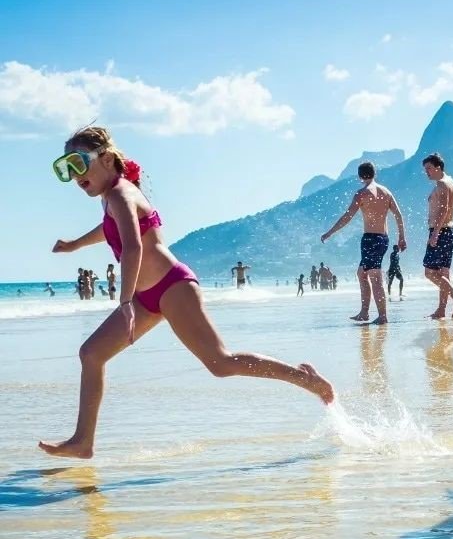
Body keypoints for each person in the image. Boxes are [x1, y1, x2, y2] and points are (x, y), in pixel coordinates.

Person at [40, 125, 334, 459]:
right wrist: (76, 244)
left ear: (106, 159)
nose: (74, 175)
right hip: (147, 297)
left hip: (172, 287)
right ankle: (83, 441)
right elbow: (111, 229)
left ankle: (306, 380)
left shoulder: (121, 193)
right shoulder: (112, 198)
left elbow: (133, 247)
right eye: (66, 168)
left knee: (221, 363)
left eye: (78, 163)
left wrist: (125, 301)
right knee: (91, 354)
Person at [321, 161, 406, 325]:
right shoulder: (386, 192)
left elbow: (347, 216)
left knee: (375, 277)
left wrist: (330, 232)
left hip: (370, 239)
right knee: (362, 273)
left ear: (360, 176)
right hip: (383, 239)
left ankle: (382, 316)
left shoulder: (362, 193)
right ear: (374, 173)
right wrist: (402, 237)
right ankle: (364, 312)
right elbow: (398, 215)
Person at [421, 153, 453, 319]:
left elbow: (443, 210)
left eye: (429, 168)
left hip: (441, 231)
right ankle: (441, 310)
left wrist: (435, 234)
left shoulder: (441, 184)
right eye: (425, 169)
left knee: (430, 273)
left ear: (438, 167)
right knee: (443, 273)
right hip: (450, 231)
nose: (426, 172)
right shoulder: (451, 182)